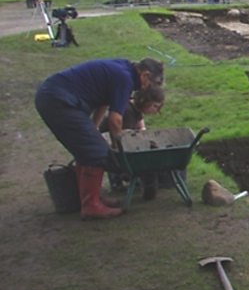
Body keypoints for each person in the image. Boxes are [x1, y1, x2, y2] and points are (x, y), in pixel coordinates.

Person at [35, 58, 165, 220]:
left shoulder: (124, 69)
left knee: (88, 147)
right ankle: (91, 206)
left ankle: (91, 198)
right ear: (145, 75)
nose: (148, 88)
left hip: (53, 94)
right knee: (96, 151)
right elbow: (115, 120)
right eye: (151, 83)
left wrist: (93, 129)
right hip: (59, 100)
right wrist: (120, 147)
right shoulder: (125, 78)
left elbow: (104, 102)